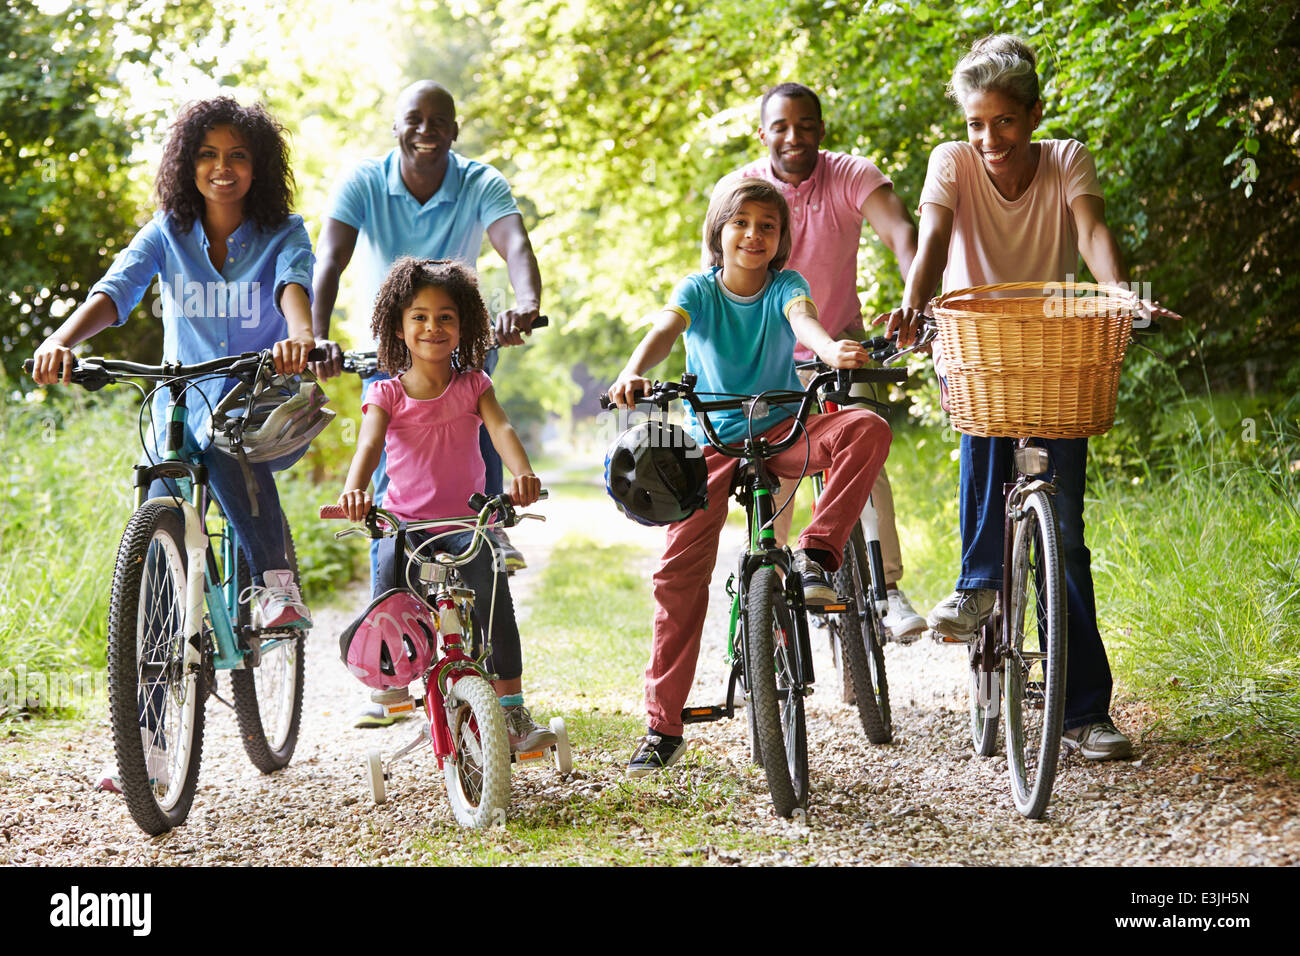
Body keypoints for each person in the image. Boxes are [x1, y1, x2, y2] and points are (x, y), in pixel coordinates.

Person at [883, 35, 1180, 761]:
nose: (989, 137)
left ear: (1034, 114)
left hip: (1054, 352)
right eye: (977, 123)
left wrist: (1119, 295)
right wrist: (914, 302)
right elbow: (931, 241)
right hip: (978, 344)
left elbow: (1092, 229)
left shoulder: (1067, 158)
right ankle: (978, 584)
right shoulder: (952, 162)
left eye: (1005, 122)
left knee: (1068, 545)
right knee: (984, 426)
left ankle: (1083, 713)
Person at [29, 96, 318, 789]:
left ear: (259, 166)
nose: (223, 168)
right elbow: (118, 289)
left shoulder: (284, 232)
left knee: (221, 437)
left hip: (256, 404)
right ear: (188, 166)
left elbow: (294, 290)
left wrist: (300, 339)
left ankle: (275, 582)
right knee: (155, 563)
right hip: (178, 403)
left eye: (238, 155)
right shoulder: (167, 231)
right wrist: (62, 340)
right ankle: (151, 743)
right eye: (208, 155)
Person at [608, 177, 892, 775]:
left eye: (768, 226)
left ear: (781, 238)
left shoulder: (786, 285)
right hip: (710, 443)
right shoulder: (699, 290)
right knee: (677, 577)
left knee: (866, 427)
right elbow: (664, 330)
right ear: (719, 231)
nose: (753, 235)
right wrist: (634, 370)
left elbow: (802, 321)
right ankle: (663, 726)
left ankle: (818, 555)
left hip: (784, 432)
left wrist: (830, 349)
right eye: (741, 223)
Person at [310, 80, 543, 727]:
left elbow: (514, 245)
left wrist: (524, 300)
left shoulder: (480, 181)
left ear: (455, 129)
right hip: (388, 354)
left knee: (478, 456)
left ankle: (489, 529)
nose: (427, 128)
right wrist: (316, 334)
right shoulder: (364, 182)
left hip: (467, 345)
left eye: (440, 119)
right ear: (396, 127)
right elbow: (330, 256)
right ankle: (391, 674)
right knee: (391, 520)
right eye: (415, 118)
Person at [710, 82, 927, 641]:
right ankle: (769, 604)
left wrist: (916, 298)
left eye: (806, 126)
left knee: (866, 440)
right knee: (775, 474)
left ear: (821, 131)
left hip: (842, 340)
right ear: (763, 135)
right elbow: (716, 278)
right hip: (770, 350)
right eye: (780, 127)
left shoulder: (851, 174)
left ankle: (886, 587)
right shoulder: (739, 189)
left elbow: (901, 232)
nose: (793, 137)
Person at [336, 257, 556, 753]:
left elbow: (501, 430)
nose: (433, 327)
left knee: (495, 599)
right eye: (419, 316)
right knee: (388, 579)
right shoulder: (385, 391)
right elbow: (368, 447)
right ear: (398, 325)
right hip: (406, 524)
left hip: (465, 522)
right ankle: (388, 678)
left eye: (446, 317)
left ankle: (510, 707)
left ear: (464, 326)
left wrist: (522, 474)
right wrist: (355, 489)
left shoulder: (474, 385)